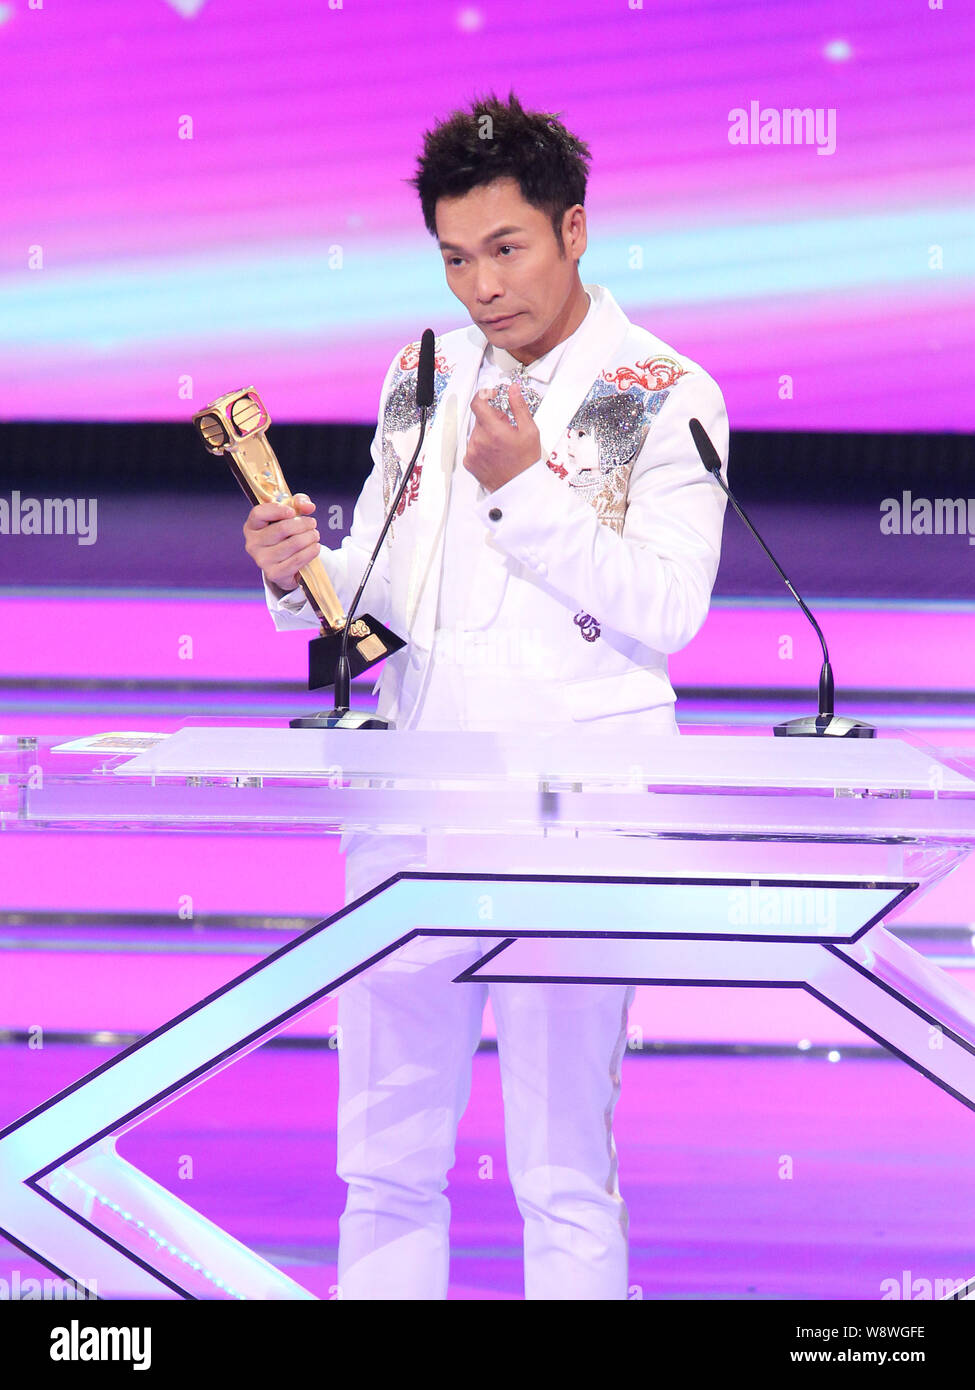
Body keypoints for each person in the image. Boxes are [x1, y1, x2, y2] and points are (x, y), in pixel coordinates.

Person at [242, 91, 729, 1300]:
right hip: (407, 809)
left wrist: (524, 491)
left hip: (576, 825)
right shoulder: (423, 371)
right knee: (386, 1161)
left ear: (573, 229)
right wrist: (304, 571)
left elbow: (663, 606)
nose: (480, 287)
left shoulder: (648, 387)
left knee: (562, 1172)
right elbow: (391, 599)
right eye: (456, 258)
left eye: (506, 249)